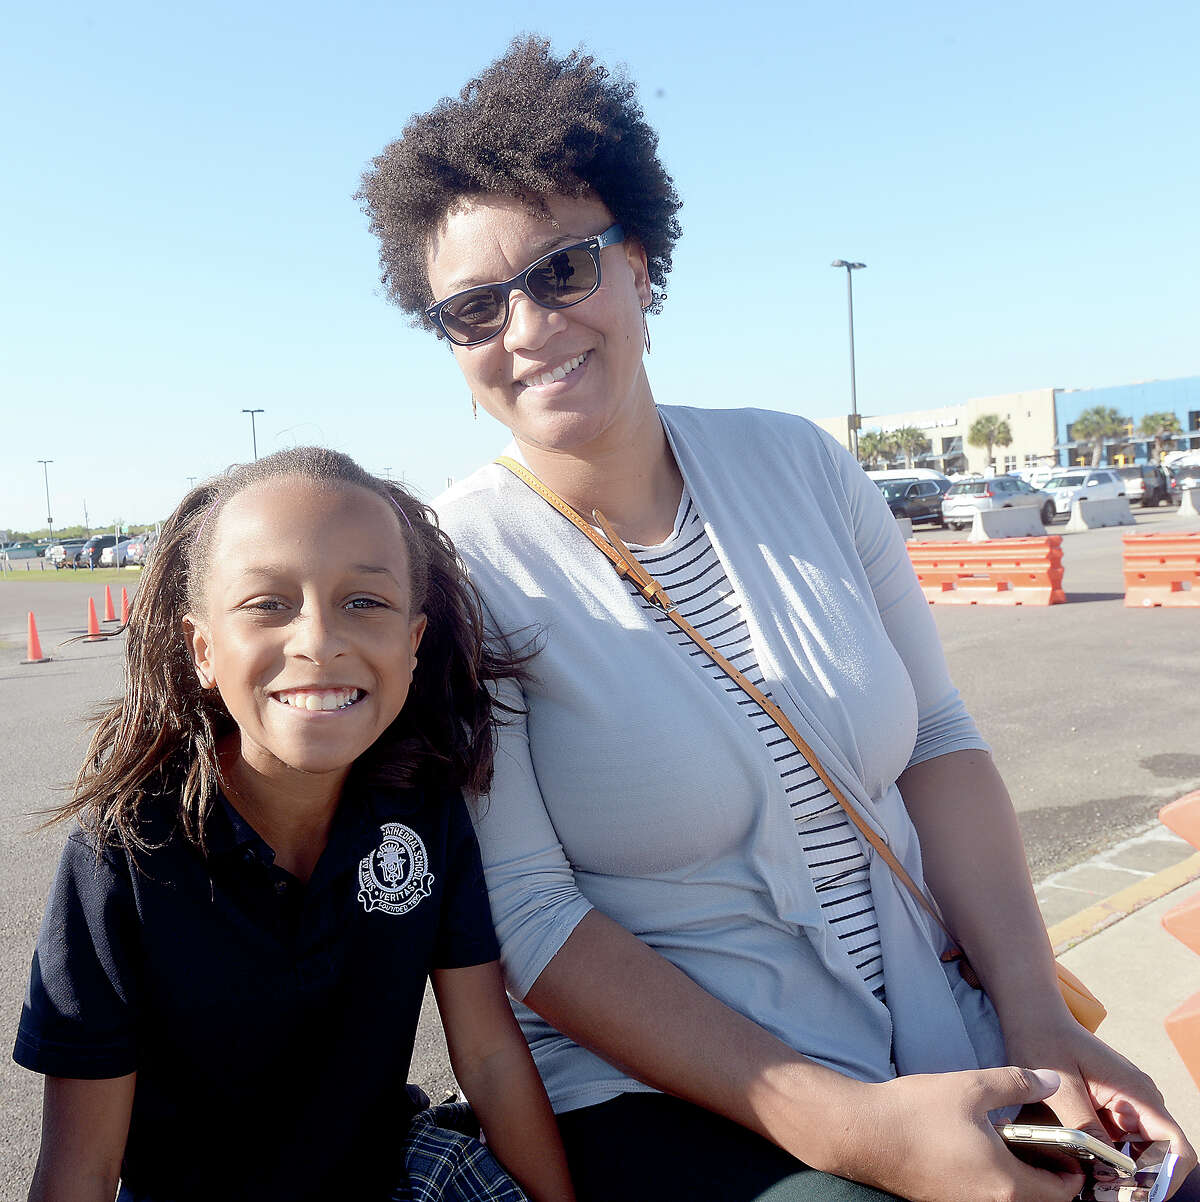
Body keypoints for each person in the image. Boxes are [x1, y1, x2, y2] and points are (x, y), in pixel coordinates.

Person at [357, 37, 1197, 1202]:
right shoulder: (457, 569)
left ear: (638, 266)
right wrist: (852, 1126)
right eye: (474, 307)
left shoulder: (800, 463)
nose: (529, 327)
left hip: (937, 1026)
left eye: (562, 269)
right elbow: (536, 918)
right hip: (676, 1097)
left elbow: (939, 741)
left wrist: (1035, 1013)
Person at [13, 448, 576, 1202]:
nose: (318, 639)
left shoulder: (423, 808)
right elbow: (82, 1168)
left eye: (364, 601)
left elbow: (489, 1058)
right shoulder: (125, 852)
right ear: (203, 650)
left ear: (412, 644)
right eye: (268, 603)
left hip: (390, 1177)